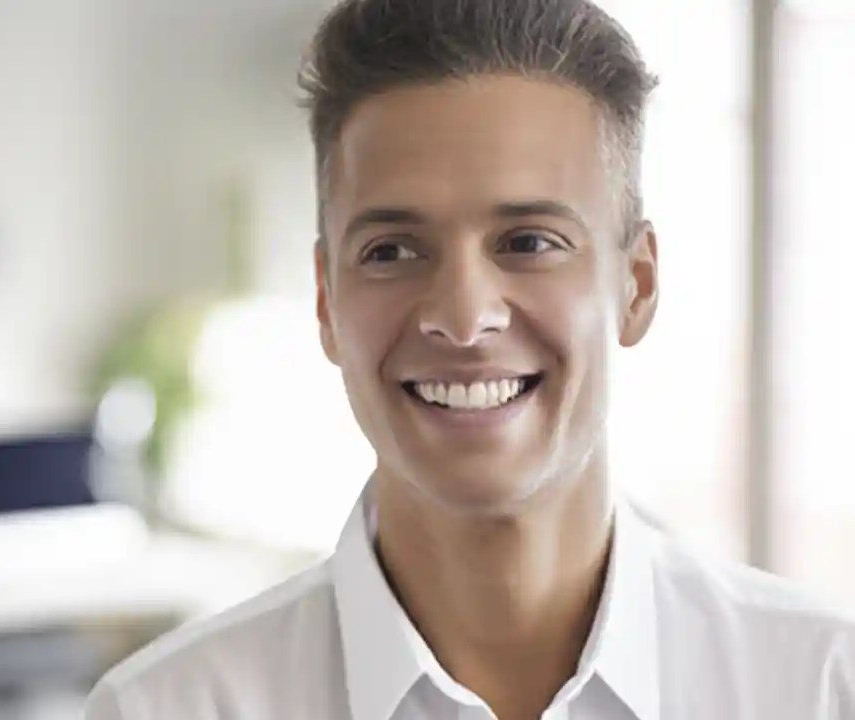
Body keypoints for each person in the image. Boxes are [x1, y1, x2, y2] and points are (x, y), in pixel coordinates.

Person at [85, 0, 855, 717]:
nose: (461, 317)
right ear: (326, 300)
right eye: (391, 250)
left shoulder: (823, 686)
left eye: (528, 243)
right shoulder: (168, 708)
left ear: (636, 284)